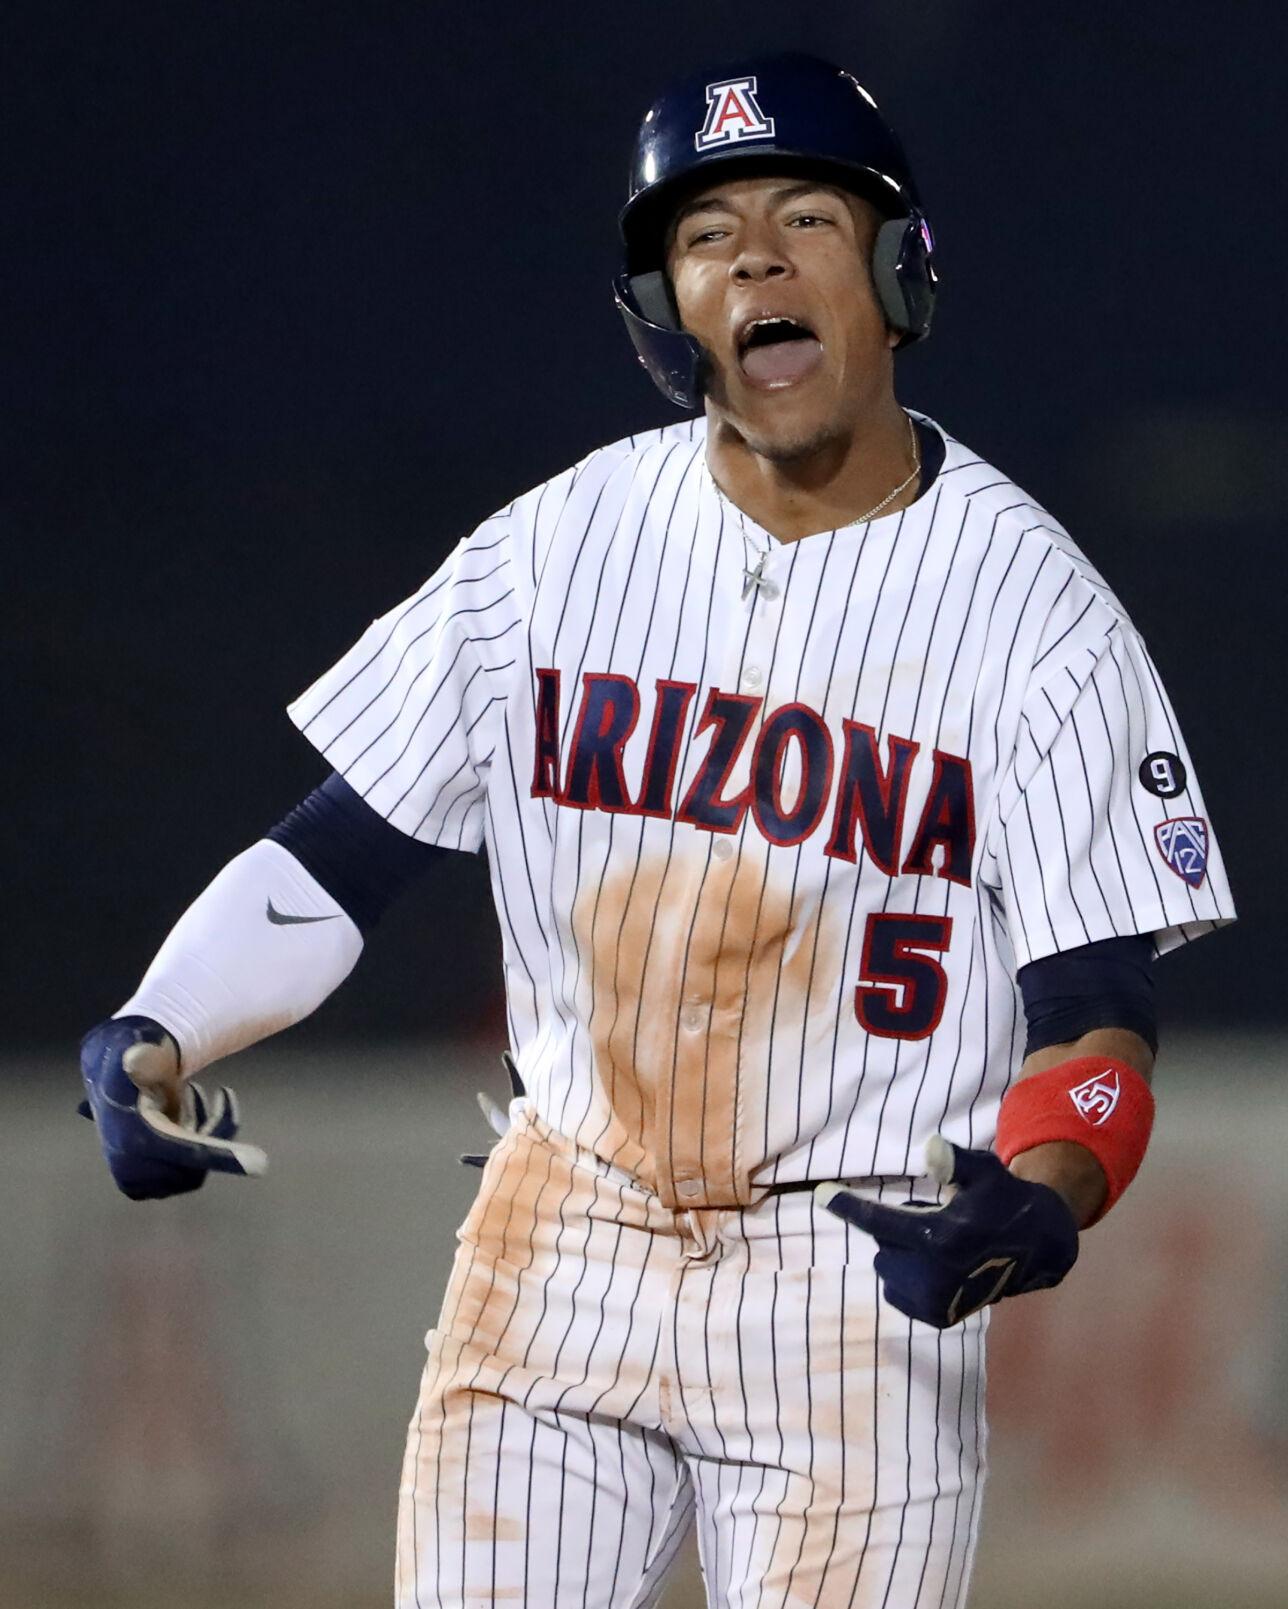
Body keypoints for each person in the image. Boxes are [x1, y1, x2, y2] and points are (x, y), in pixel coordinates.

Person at [80, 52, 1235, 1608]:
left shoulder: (1042, 622)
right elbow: (344, 850)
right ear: (660, 316)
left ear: (898, 276)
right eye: (706, 235)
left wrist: (1044, 1187)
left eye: (806, 216)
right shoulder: (554, 548)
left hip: (855, 1275)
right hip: (561, 1228)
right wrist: (162, 1020)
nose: (754, 256)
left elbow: (1097, 1013)